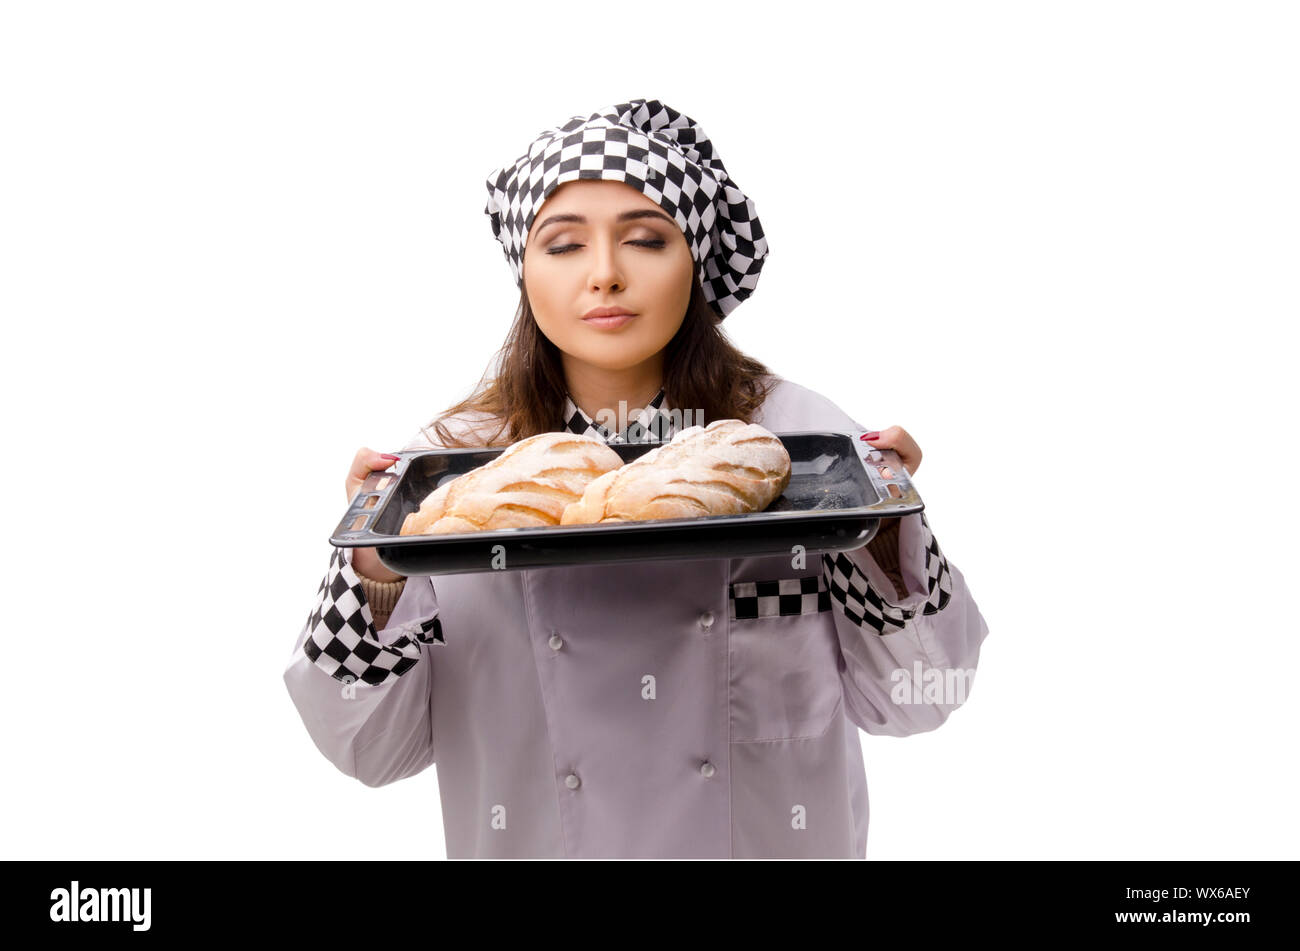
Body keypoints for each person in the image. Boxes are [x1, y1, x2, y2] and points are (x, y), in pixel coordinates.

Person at [282, 98, 990, 859]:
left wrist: (885, 530)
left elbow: (919, 700)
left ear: (696, 260)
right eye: (563, 246)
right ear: (523, 271)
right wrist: (373, 568)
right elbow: (365, 748)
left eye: (646, 240)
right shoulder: (456, 474)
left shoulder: (797, 442)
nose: (606, 275)